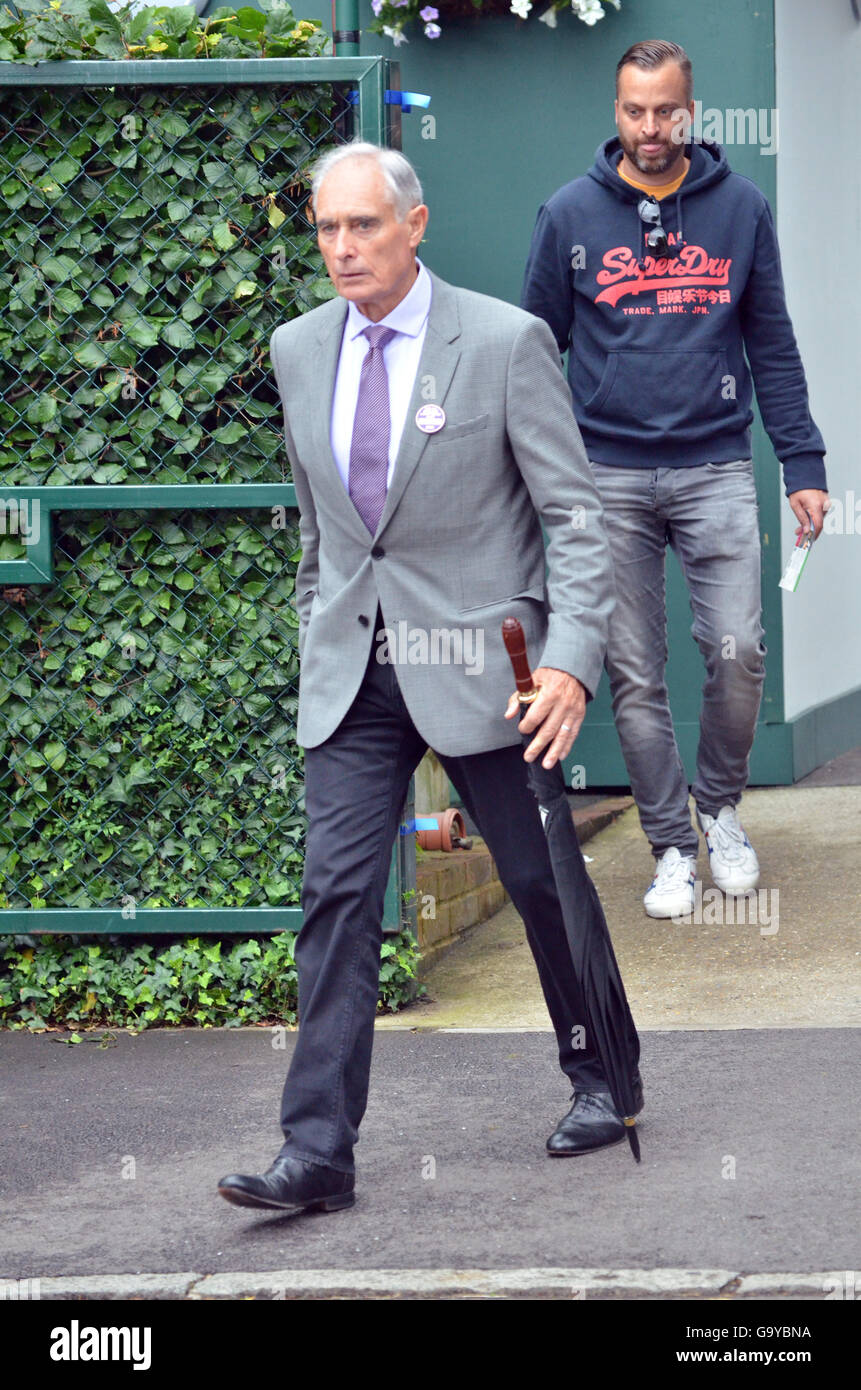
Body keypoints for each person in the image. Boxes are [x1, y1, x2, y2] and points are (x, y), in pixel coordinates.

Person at [217, 141, 640, 1215]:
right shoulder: (298, 349)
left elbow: (577, 523)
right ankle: (317, 1152)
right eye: (325, 228)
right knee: (338, 900)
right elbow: (323, 529)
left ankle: (605, 1079)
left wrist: (568, 665)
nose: (342, 247)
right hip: (355, 670)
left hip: (487, 665)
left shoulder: (503, 342)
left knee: (543, 880)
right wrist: (319, 624)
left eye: (363, 225)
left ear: (415, 224)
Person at [521, 39, 829, 920]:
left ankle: (720, 809)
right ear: (614, 110)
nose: (649, 128)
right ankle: (667, 845)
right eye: (632, 110)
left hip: (714, 466)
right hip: (605, 477)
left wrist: (800, 463)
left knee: (737, 649)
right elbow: (535, 356)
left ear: (689, 110)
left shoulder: (740, 209)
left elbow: (771, 343)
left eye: (665, 110)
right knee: (632, 670)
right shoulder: (570, 212)